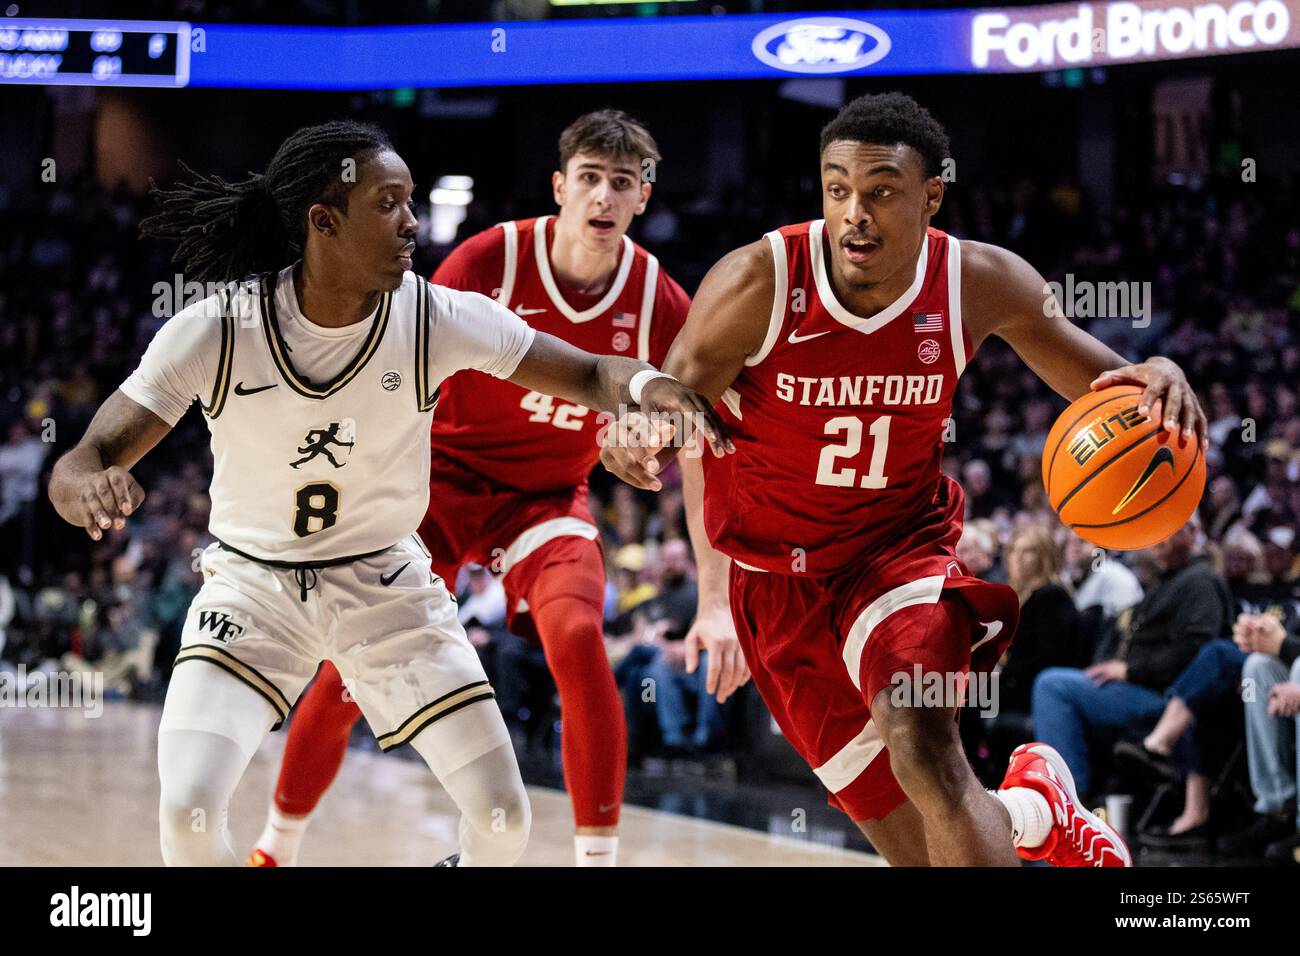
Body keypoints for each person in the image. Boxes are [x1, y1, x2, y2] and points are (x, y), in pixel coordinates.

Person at [46, 120, 726, 867]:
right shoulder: (218, 326)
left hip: (389, 588)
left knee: (503, 821)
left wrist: (651, 383)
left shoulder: (432, 315)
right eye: (390, 203)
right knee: (187, 815)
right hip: (252, 589)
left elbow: (593, 372)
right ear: (323, 220)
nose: (412, 221)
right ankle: (278, 847)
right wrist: (88, 486)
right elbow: (84, 458)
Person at [602, 91, 1209, 866]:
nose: (854, 212)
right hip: (776, 585)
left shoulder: (978, 281)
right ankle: (1034, 811)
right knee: (917, 849)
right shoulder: (758, 281)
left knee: (924, 744)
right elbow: (671, 399)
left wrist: (1150, 370)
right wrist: (632, 428)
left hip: (898, 551)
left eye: (881, 191)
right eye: (837, 189)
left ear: (931, 196)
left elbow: (1104, 383)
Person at [248, 111, 749, 869]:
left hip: (546, 498)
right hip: (437, 485)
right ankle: (274, 849)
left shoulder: (660, 305)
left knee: (580, 642)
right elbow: (398, 362)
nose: (603, 197)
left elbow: (702, 456)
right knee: (351, 667)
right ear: (560, 186)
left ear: (643, 197)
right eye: (589, 178)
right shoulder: (491, 260)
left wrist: (715, 602)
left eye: (622, 183)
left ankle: (596, 861)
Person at [1033, 517, 1231, 808]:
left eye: (1169, 534)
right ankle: (1070, 794)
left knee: (1053, 686)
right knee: (1059, 682)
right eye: (1156, 534)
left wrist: (1129, 670)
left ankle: (1068, 801)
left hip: (1168, 697)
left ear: (1191, 533)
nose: (1159, 543)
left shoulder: (1199, 581)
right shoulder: (1167, 581)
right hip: (1142, 687)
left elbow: (1198, 651)